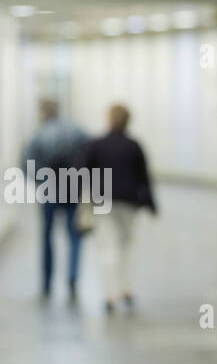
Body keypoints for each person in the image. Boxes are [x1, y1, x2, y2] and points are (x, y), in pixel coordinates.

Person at [81, 104, 156, 314]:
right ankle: (125, 288)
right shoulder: (134, 146)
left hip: (103, 201)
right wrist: (151, 205)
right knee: (126, 246)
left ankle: (109, 295)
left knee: (107, 247)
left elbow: (82, 173)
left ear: (109, 119)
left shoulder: (96, 145)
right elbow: (144, 178)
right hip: (129, 203)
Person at [21, 98, 88, 302]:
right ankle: (72, 278)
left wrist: (39, 181)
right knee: (74, 235)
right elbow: (90, 157)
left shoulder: (38, 135)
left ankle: (47, 284)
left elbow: (26, 165)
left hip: (48, 191)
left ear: (43, 112)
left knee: (47, 237)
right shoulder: (77, 131)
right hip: (73, 190)